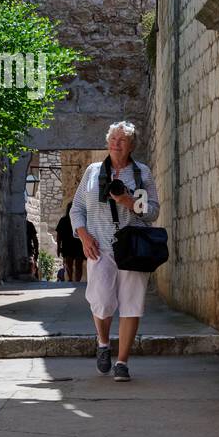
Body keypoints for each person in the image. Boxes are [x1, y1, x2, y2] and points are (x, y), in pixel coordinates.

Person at [69, 121, 160, 383]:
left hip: (132, 248)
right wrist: (83, 235)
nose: (116, 143)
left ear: (131, 146)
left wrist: (128, 201)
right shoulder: (93, 171)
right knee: (101, 301)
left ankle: (122, 362)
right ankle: (103, 343)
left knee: (131, 303)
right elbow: (77, 209)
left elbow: (153, 211)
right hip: (99, 247)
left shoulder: (142, 173)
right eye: (113, 139)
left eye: (122, 140)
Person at [55, 201, 85, 283]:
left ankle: (77, 281)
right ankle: (71, 279)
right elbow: (59, 235)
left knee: (78, 264)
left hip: (78, 244)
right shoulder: (63, 220)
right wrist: (58, 247)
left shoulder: (80, 219)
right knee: (69, 264)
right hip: (68, 245)